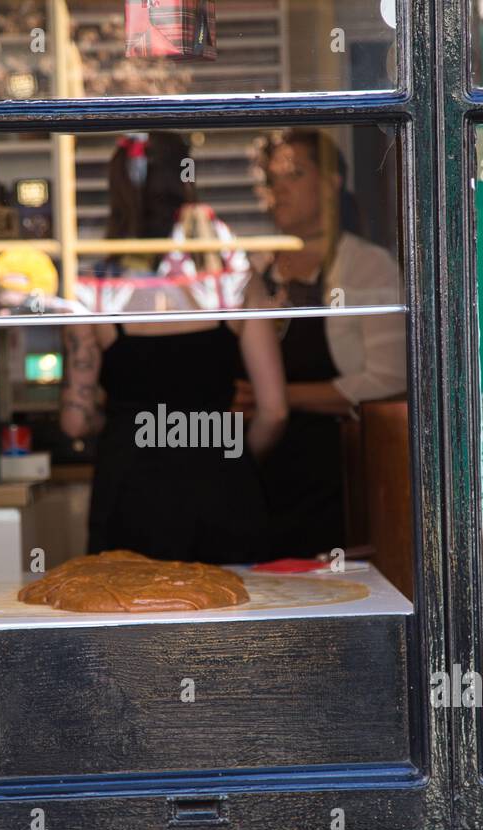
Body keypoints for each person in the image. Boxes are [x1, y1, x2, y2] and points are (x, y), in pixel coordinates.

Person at [60, 131, 288, 565]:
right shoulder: (233, 282)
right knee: (229, 622)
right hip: (221, 487)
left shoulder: (94, 290)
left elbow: (75, 421)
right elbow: (275, 411)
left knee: (130, 622)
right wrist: (228, 456)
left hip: (130, 492)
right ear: (187, 185)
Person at [236, 128, 407, 560]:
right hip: (258, 477)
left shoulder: (368, 267)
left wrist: (275, 399)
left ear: (331, 183)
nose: (279, 189)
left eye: (293, 174)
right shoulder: (254, 270)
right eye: (272, 179)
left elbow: (389, 379)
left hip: (335, 477)